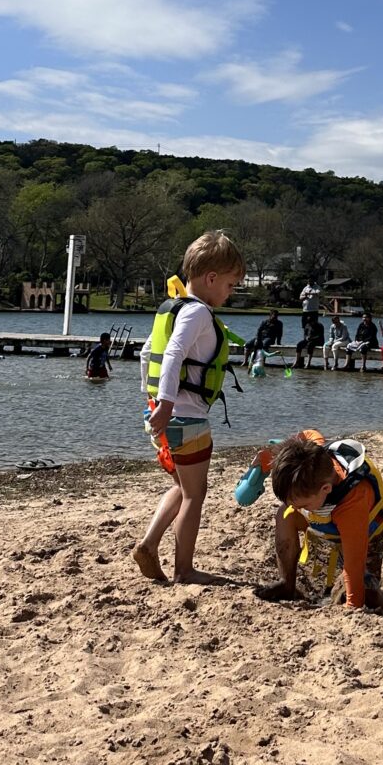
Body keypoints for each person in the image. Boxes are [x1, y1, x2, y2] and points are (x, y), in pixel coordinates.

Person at [132, 231, 245, 587]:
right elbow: (173, 353)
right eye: (230, 284)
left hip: (166, 417)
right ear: (210, 278)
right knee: (196, 493)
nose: (230, 292)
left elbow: (147, 353)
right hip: (188, 418)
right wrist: (166, 403)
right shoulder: (197, 313)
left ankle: (149, 544)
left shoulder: (172, 309)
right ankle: (185, 569)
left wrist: (153, 401)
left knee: (183, 485)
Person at [257, 430, 383, 609]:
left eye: (303, 505)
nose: (298, 508)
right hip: (328, 520)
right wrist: (269, 458)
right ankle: (286, 583)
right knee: (285, 515)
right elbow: (308, 434)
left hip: (365, 531)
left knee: (368, 592)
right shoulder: (315, 457)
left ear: (326, 489)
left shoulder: (352, 505)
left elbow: (354, 567)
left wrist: (353, 606)